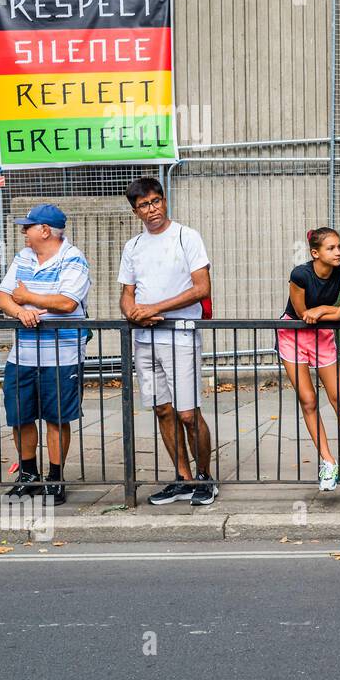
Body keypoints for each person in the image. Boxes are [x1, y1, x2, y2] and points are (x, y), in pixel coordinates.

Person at [118, 177, 216, 506]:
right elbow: (126, 294)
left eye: (156, 201)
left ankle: (204, 478)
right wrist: (133, 313)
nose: (152, 209)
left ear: (164, 200)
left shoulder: (187, 237)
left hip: (180, 335)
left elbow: (202, 288)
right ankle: (183, 477)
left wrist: (155, 308)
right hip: (144, 338)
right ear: (136, 211)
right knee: (163, 410)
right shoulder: (133, 247)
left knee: (188, 413)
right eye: (144, 205)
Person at [0, 204, 90, 506]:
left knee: (56, 417)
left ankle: (56, 478)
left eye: (29, 227)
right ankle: (28, 475)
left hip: (61, 355)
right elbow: (2, 296)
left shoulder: (73, 258)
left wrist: (26, 297)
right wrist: (21, 311)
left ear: (45, 231)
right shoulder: (22, 257)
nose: (24, 232)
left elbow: (67, 303)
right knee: (20, 416)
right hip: (22, 354)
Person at [278, 227, 340, 492]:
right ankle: (328, 462)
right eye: (331, 248)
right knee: (309, 400)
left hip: (322, 334)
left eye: (339, 247)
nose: (338, 252)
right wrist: (336, 312)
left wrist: (325, 309)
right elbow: (304, 315)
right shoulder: (300, 274)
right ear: (315, 253)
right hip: (294, 334)